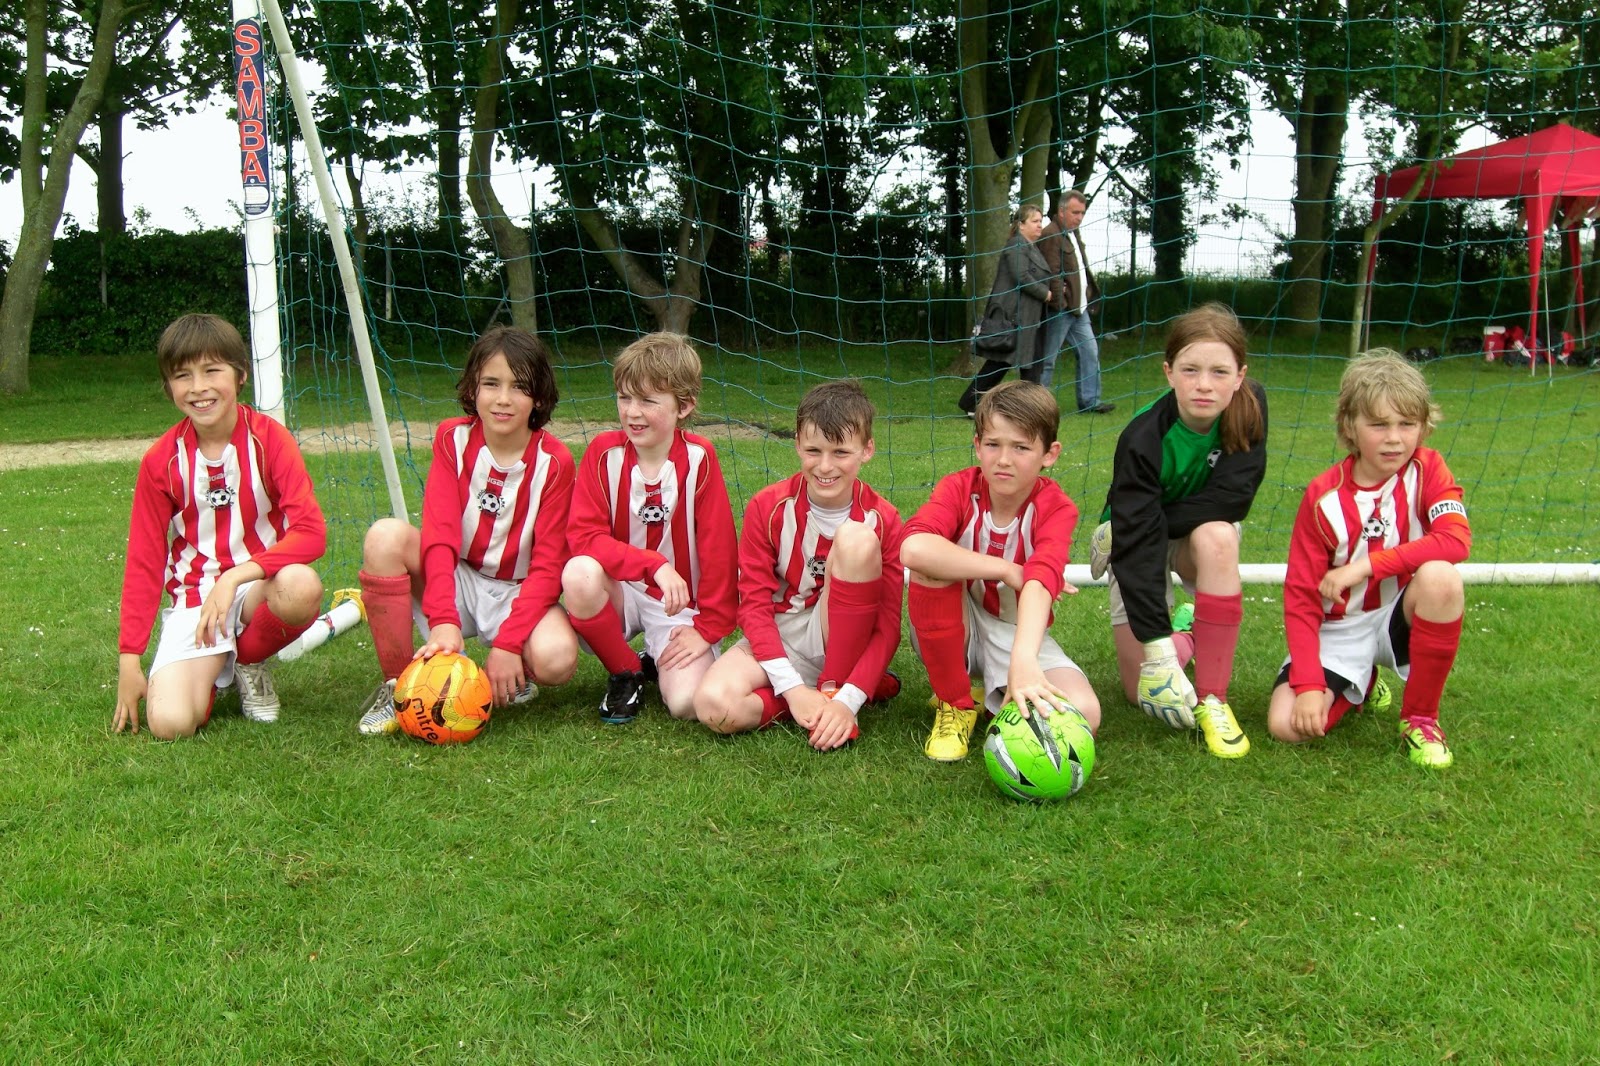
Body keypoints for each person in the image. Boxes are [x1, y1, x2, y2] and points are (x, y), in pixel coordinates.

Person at [355, 326, 578, 735]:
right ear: (473, 387)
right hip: (456, 575)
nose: (503, 398)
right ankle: (400, 685)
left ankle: (507, 674)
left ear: (540, 397)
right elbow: (439, 535)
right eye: (491, 383)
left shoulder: (556, 462)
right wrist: (443, 618)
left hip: (516, 588)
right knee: (385, 536)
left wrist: (510, 644)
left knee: (558, 659)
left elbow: (549, 567)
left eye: (519, 386)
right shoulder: (452, 438)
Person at [113, 313, 326, 739]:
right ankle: (212, 671)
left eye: (212, 370)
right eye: (182, 375)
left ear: (240, 374)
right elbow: (144, 559)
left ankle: (247, 661)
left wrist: (235, 577)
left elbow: (311, 531)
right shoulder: (162, 462)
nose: (198, 387)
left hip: (256, 587)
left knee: (300, 586)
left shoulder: (269, 440)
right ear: (167, 387)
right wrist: (129, 659)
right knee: (170, 725)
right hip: (196, 598)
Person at [1267, 351, 1468, 769]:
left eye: (1406, 424)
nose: (1394, 438)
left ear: (1423, 426)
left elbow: (1455, 540)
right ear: (1350, 427)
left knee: (1442, 579)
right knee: (1287, 725)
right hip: (1340, 629)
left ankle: (1420, 719)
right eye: (1378, 425)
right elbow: (1302, 597)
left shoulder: (1429, 470)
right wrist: (1307, 685)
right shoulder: (1323, 498)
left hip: (1399, 611)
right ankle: (1359, 680)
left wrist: (1367, 566)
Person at [1090, 302, 1266, 758]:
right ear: (1168, 372)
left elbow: (1234, 500)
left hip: (1173, 534)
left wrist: (1136, 526)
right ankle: (1181, 634)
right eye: (1190, 370)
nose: (1204, 385)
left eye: (1219, 372)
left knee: (1220, 534)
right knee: (1138, 691)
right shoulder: (1142, 437)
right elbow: (1141, 549)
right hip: (1133, 543)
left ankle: (1213, 699)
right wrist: (1158, 652)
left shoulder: (1249, 408)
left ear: (1240, 375)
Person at [695, 380, 903, 752]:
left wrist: (848, 700)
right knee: (714, 707)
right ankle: (816, 700)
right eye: (813, 450)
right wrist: (791, 690)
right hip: (781, 635)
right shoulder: (768, 507)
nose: (825, 466)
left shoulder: (882, 518)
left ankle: (839, 687)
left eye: (840, 452)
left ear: (867, 449)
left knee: (854, 540)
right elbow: (754, 606)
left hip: (842, 635)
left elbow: (888, 626)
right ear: (796, 445)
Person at [904, 380, 1100, 762]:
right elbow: (913, 548)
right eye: (993, 444)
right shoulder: (959, 489)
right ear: (977, 445)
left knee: (1084, 714)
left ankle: (995, 700)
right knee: (932, 567)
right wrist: (1007, 569)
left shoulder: (1057, 508)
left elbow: (1042, 580)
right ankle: (955, 703)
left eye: (1021, 447)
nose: (1004, 459)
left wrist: (1024, 661)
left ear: (1050, 453)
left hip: (1016, 632)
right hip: (953, 626)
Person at [561, 333, 738, 723]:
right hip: (620, 587)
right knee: (578, 573)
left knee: (687, 704)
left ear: (684, 406)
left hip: (677, 601)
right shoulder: (602, 454)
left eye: (647, 401)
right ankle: (626, 672)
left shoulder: (699, 459)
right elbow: (583, 537)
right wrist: (652, 564)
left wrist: (708, 628)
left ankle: (659, 658)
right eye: (625, 397)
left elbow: (719, 550)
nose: (632, 412)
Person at [956, 204, 1054, 415]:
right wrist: (1044, 293)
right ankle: (971, 402)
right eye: (1035, 221)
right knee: (1000, 362)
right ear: (1021, 224)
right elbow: (1022, 277)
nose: (1040, 225)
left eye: (1040, 220)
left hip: (1028, 317)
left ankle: (1031, 406)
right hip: (1013, 317)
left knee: (1026, 362)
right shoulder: (1016, 246)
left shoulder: (1029, 246)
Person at [1037, 190, 1114, 414]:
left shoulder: (1073, 233)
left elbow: (1080, 270)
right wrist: (1059, 302)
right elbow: (1051, 272)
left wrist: (1087, 292)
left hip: (1079, 310)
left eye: (1082, 212)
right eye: (1075, 212)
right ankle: (1037, 405)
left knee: (1090, 352)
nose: (1080, 217)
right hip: (1061, 309)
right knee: (1048, 358)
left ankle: (1090, 402)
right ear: (1061, 212)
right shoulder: (1051, 234)